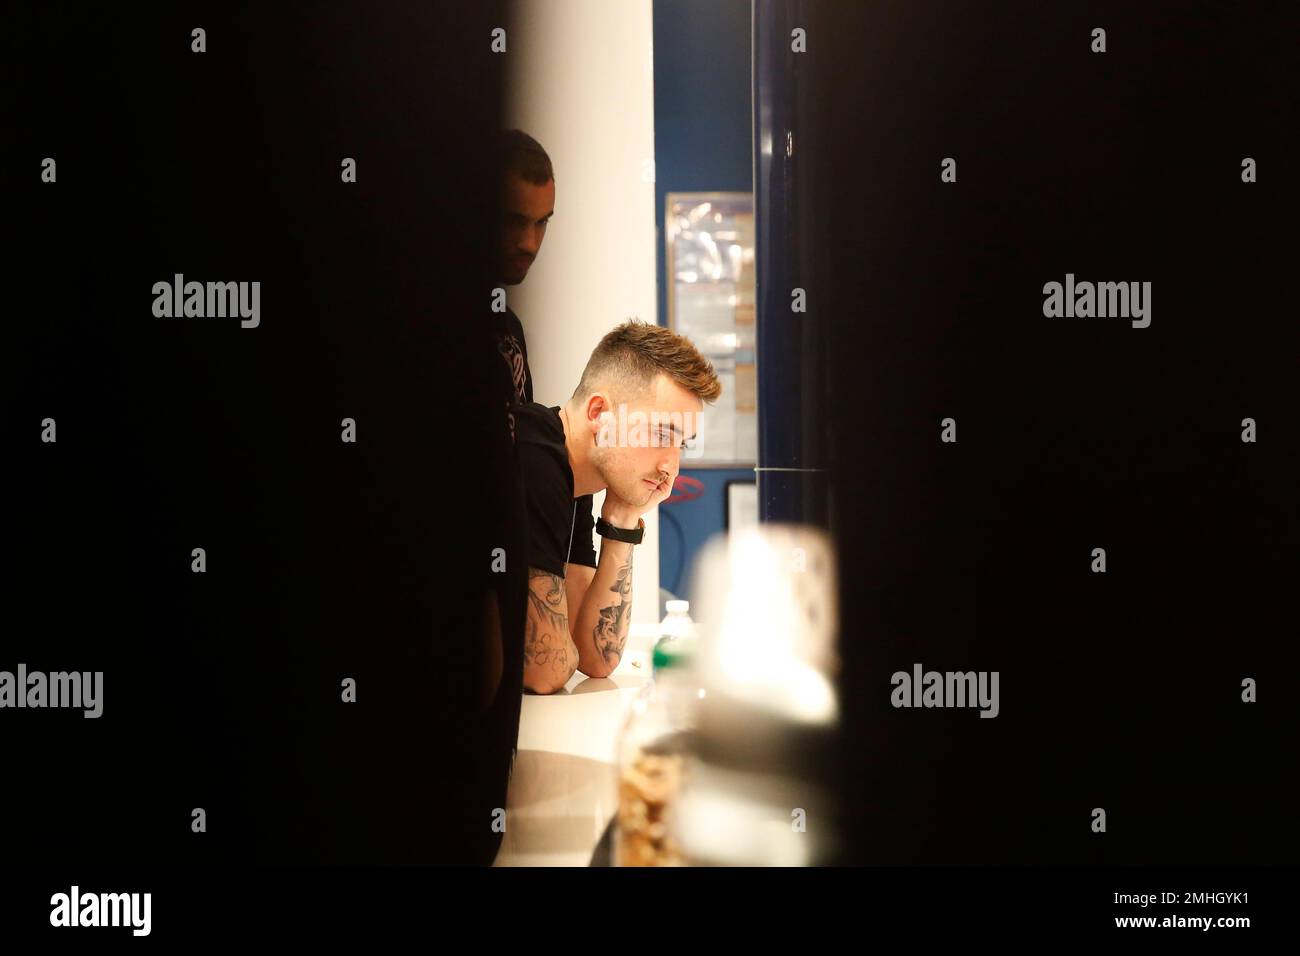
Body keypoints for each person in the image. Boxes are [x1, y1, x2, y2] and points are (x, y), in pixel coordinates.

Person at [514, 321, 722, 695]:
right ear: (599, 413)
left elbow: (596, 657)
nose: (671, 467)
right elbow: (545, 670)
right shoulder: (535, 455)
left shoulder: (576, 476)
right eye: (661, 434)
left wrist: (623, 519)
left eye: (681, 445)